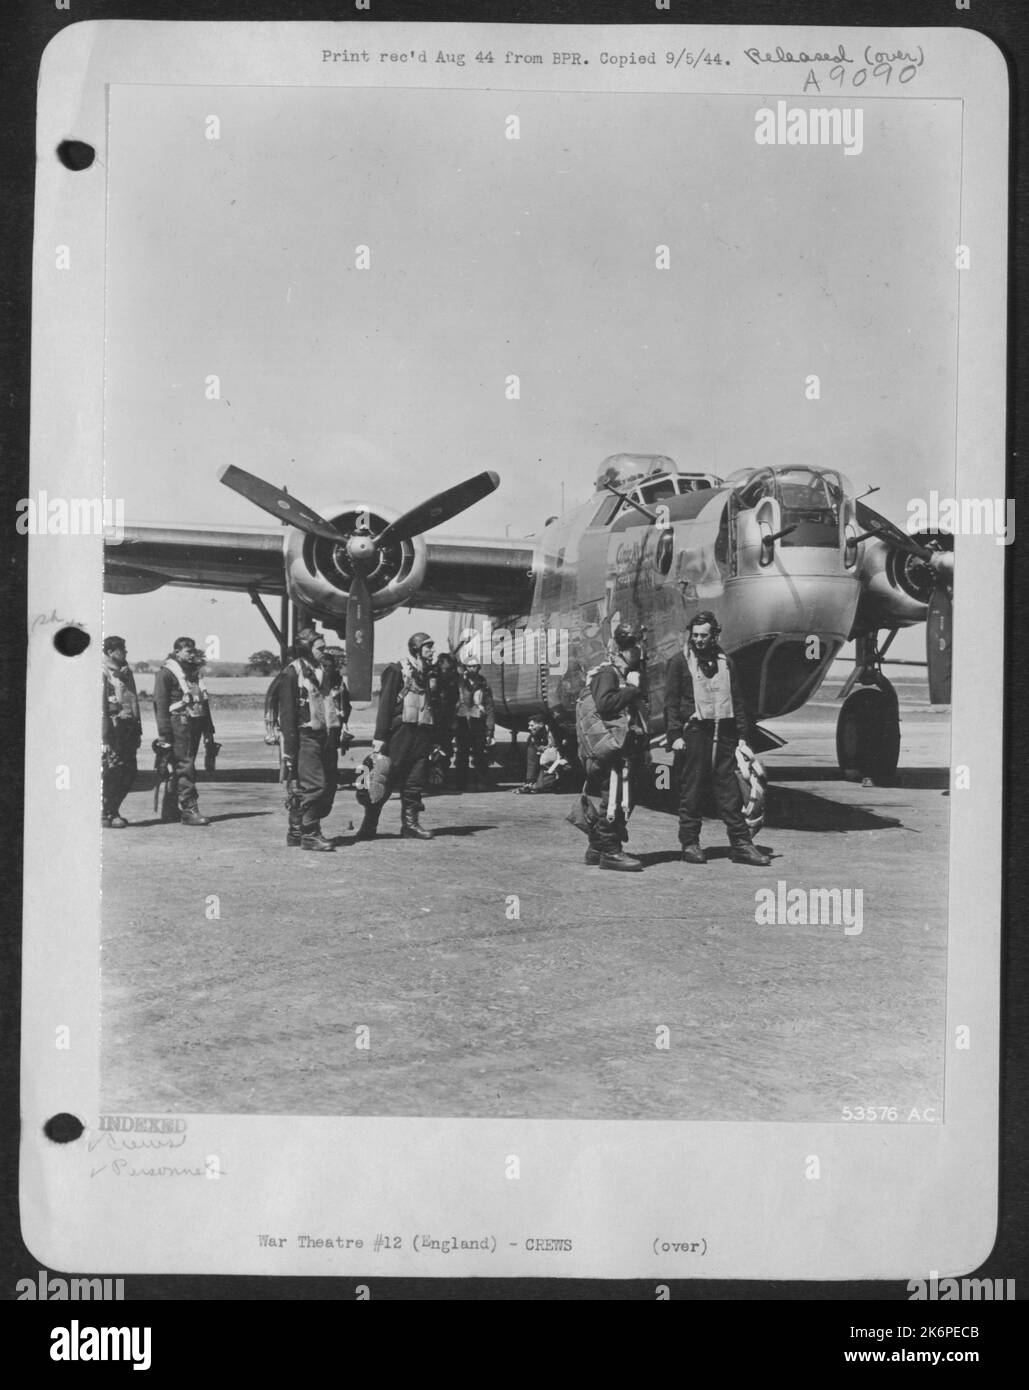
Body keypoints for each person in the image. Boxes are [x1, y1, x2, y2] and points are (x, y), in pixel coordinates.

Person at [664, 611, 770, 866]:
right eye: (696, 635)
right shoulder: (679, 663)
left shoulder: (727, 663)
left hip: (723, 734)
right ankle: (690, 844)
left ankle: (741, 845)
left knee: (730, 794)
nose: (699, 640)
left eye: (704, 635)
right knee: (692, 794)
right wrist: (675, 736)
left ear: (714, 635)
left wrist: (743, 736)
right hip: (694, 735)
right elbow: (671, 703)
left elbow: (738, 701)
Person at [575, 624, 649, 871]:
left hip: (624, 748)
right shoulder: (608, 674)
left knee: (621, 796)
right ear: (630, 649)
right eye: (639, 646)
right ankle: (611, 852)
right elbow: (605, 704)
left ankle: (597, 848)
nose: (642, 652)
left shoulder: (624, 673)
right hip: (613, 752)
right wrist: (631, 690)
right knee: (616, 799)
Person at [356, 631, 438, 840]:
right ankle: (369, 825)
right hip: (399, 734)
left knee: (414, 782)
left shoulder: (430, 673)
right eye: (427, 647)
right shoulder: (396, 670)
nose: (432, 651)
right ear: (416, 649)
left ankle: (410, 825)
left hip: (422, 734)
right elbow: (385, 705)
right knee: (384, 779)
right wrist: (380, 737)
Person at [277, 627, 341, 851]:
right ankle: (310, 834)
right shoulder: (291, 673)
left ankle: (296, 830)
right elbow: (286, 714)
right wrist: (289, 750)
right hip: (305, 736)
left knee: (325, 786)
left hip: (325, 735)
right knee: (315, 786)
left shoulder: (324, 669)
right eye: (320, 648)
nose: (324, 651)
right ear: (306, 649)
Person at [153, 636, 211, 826]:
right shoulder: (166, 673)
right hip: (178, 724)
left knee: (180, 767)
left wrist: (209, 730)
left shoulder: (193, 673)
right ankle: (189, 809)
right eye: (188, 650)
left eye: (193, 650)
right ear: (177, 652)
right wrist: (164, 735)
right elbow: (160, 706)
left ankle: (169, 810)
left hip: (194, 724)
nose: (191, 653)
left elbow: (202, 701)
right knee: (185, 766)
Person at [101, 636, 142, 827]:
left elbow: (134, 701)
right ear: (110, 651)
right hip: (112, 731)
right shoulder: (101, 671)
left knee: (130, 771)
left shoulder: (126, 671)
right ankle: (107, 813)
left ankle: (111, 810)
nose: (125, 652)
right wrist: (106, 732)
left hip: (129, 729)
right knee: (112, 771)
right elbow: (101, 704)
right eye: (122, 649)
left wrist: (138, 728)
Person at [453, 657, 496, 791]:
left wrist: (490, 729)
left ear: (479, 667)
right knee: (462, 754)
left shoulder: (484, 684)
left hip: (478, 721)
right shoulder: (459, 683)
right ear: (465, 667)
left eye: (475, 666)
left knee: (480, 754)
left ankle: (481, 782)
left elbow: (489, 707)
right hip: (462, 722)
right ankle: (461, 783)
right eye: (469, 666)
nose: (472, 669)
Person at [518, 715, 570, 794]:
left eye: (532, 725)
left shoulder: (555, 733)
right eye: (529, 725)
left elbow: (568, 747)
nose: (529, 728)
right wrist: (529, 780)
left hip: (562, 762)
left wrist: (566, 759)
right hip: (547, 765)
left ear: (541, 724)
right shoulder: (532, 738)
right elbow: (531, 760)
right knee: (540, 786)